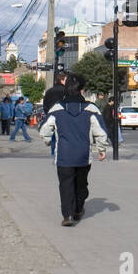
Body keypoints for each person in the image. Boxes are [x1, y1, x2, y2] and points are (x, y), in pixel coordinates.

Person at [39, 73, 108, 226]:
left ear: (66, 88)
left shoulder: (56, 109)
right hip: (83, 156)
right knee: (81, 184)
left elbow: (44, 130)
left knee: (65, 184)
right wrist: (102, 149)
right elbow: (100, 132)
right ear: (82, 89)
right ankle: (78, 209)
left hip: (63, 155)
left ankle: (68, 215)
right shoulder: (91, 109)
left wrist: (47, 141)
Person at [43, 73, 67, 155]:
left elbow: (45, 104)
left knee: (53, 133)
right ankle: (62, 151)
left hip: (51, 114)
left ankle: (53, 151)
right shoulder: (66, 91)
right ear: (62, 80)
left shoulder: (49, 91)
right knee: (63, 134)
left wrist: (48, 113)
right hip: (63, 115)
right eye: (66, 80)